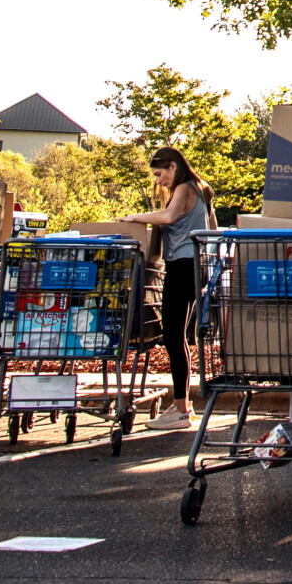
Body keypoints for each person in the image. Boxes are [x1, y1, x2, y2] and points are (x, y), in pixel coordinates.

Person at [128, 146, 213, 427]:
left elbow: (168, 217)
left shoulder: (184, 188)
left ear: (173, 166)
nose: (158, 180)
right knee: (178, 338)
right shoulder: (201, 188)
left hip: (182, 266)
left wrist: (133, 218)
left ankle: (180, 410)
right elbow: (212, 230)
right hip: (195, 265)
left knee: (173, 338)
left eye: (159, 174)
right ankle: (183, 406)